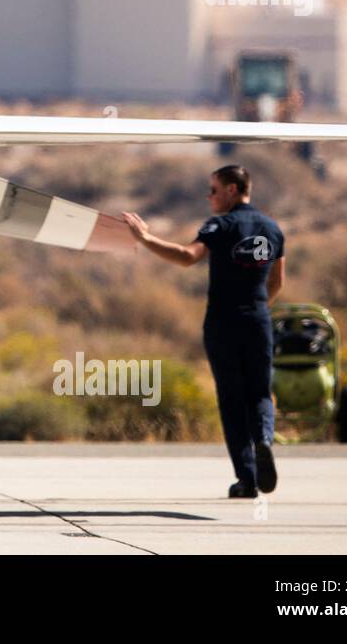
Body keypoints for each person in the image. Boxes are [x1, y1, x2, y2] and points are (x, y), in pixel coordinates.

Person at [121, 165, 285, 499]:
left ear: (232, 190)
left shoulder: (219, 226)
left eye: (213, 190)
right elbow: (277, 282)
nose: (208, 197)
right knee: (259, 392)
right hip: (258, 320)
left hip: (223, 322)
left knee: (231, 399)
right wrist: (255, 306)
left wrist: (145, 238)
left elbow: (186, 257)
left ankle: (248, 478)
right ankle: (265, 439)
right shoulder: (273, 229)